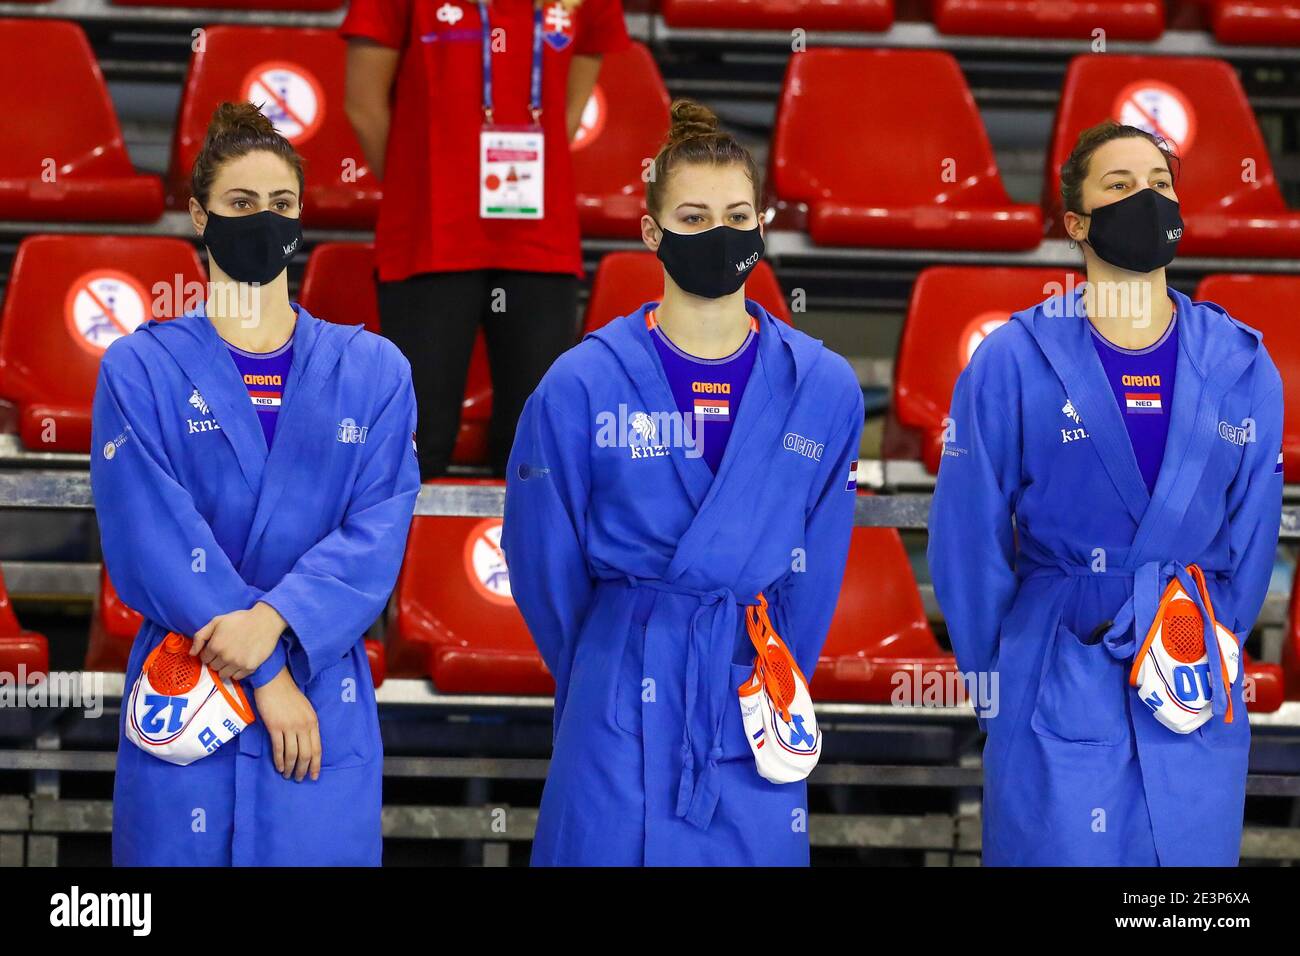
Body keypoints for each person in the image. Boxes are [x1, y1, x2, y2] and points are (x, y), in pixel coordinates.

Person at [501, 100, 865, 865]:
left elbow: (818, 568)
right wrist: (611, 655)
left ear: (762, 227)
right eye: (694, 217)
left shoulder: (823, 388)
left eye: (738, 215)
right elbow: (541, 563)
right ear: (651, 232)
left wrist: (767, 666)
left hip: (751, 689)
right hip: (616, 688)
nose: (719, 234)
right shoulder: (581, 383)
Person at [928, 120, 1284, 866]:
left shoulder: (1243, 364)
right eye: (1119, 187)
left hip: (1188, 663)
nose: (1145, 200)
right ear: (1077, 223)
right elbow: (967, 541)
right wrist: (1011, 674)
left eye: (1159, 185)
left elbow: (1252, 541)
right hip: (1052, 654)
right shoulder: (1014, 359)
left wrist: (1210, 636)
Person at [90, 102, 420, 866]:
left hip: (322, 696)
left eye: (281, 206)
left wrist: (274, 627)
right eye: (241, 205)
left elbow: (375, 538)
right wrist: (266, 675)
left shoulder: (373, 372)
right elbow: (153, 542)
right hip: (190, 687)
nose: (263, 221)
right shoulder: (139, 368)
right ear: (200, 216)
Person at [341, 0, 631, 479]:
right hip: (430, 238)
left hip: (539, 241)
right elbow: (363, 103)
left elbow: (567, 109)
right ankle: (408, 555)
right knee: (418, 445)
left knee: (536, 451)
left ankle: (523, 558)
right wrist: (418, 188)